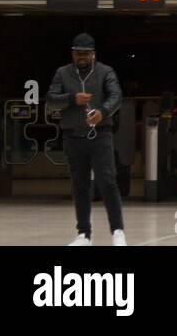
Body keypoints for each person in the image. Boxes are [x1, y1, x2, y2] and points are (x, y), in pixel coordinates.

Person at [46, 33, 125, 246]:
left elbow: (116, 96)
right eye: (78, 53)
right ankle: (83, 234)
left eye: (86, 53)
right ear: (73, 54)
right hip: (73, 136)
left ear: (93, 54)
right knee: (80, 186)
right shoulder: (62, 73)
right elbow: (51, 100)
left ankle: (117, 231)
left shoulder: (105, 72)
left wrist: (103, 112)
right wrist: (72, 99)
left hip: (100, 135)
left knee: (107, 182)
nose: (82, 57)